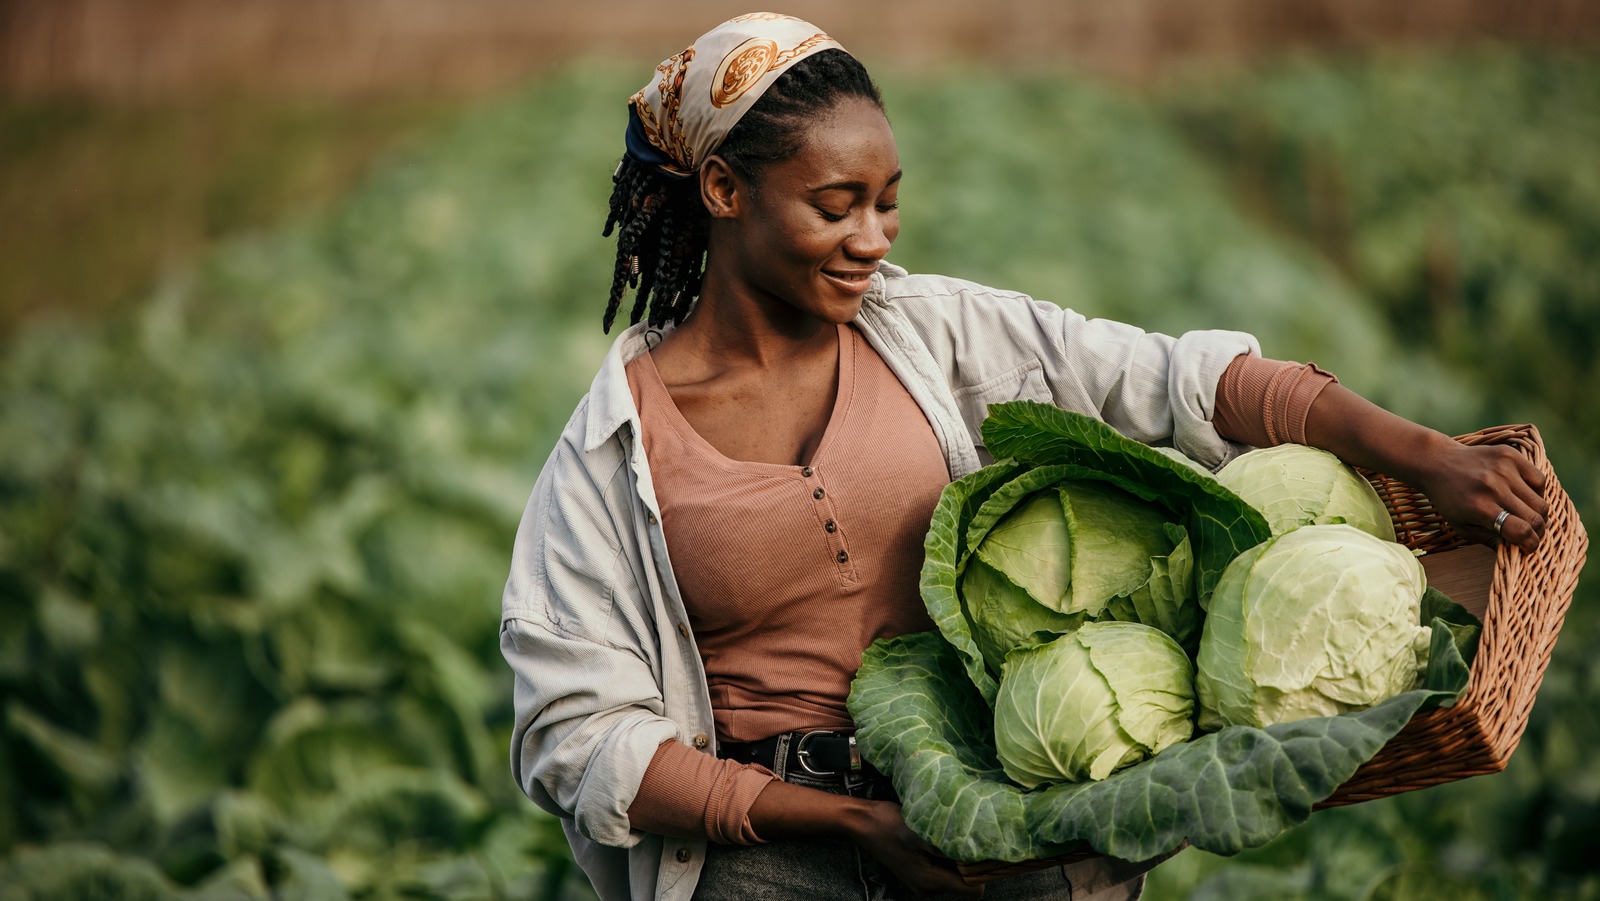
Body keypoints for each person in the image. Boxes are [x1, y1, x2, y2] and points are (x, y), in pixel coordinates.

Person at [499, 13, 1548, 901]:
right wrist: (844, 825)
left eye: (887, 199)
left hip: (1000, 819)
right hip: (766, 861)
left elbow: (1179, 380)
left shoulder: (938, 331)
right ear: (723, 192)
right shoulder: (609, 453)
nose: (873, 236)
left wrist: (1422, 455)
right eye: (835, 206)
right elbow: (577, 737)